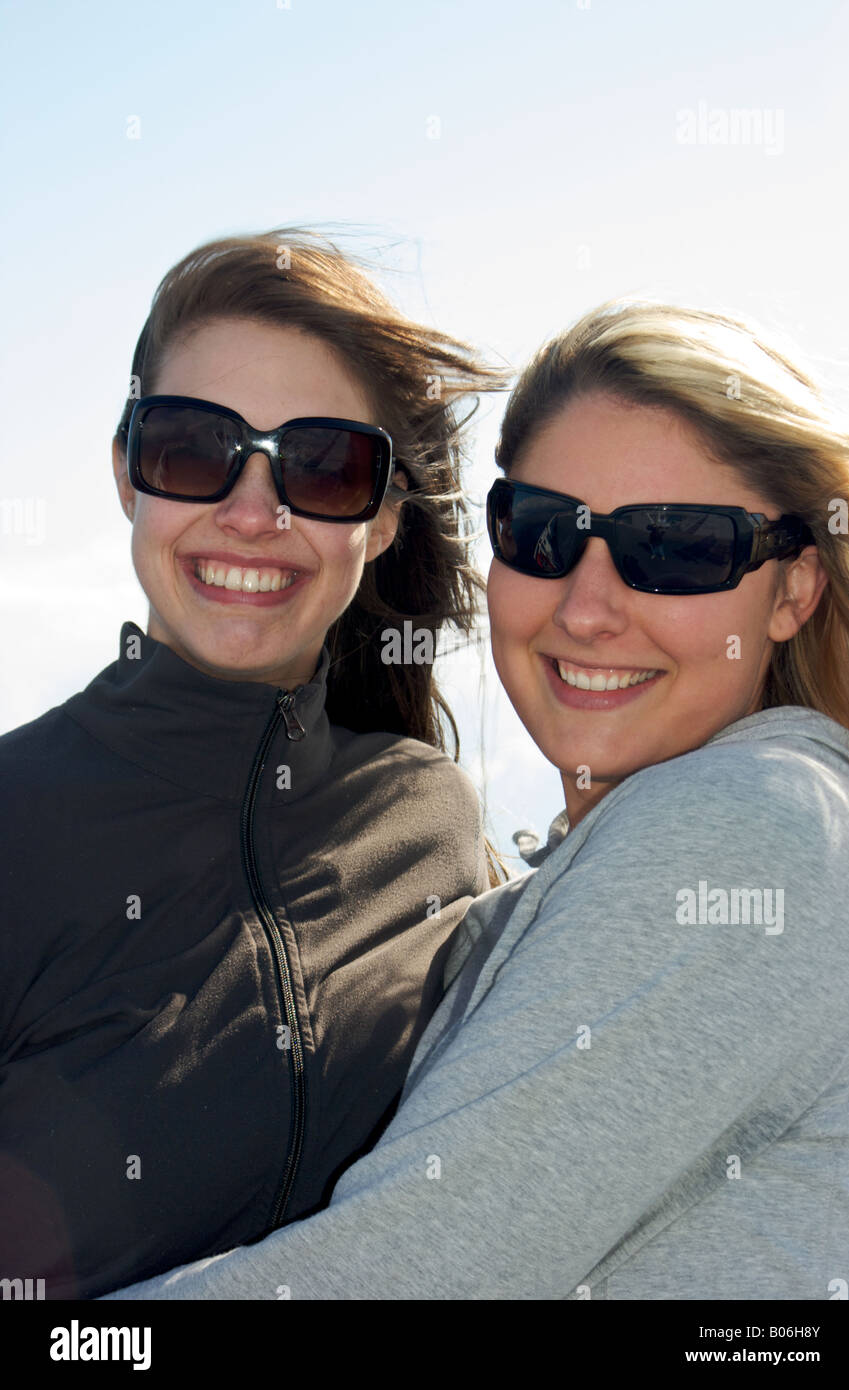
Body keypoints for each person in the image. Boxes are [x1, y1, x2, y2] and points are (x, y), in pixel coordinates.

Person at [104, 298, 849, 1301]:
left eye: (678, 547)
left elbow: (399, 1280)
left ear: (792, 591)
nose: (588, 608)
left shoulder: (746, 826)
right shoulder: (630, 857)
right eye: (545, 533)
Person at [0, 228, 508, 1299]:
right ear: (127, 475)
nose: (253, 511)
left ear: (379, 520)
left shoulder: (433, 821)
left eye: (322, 466)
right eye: (194, 448)